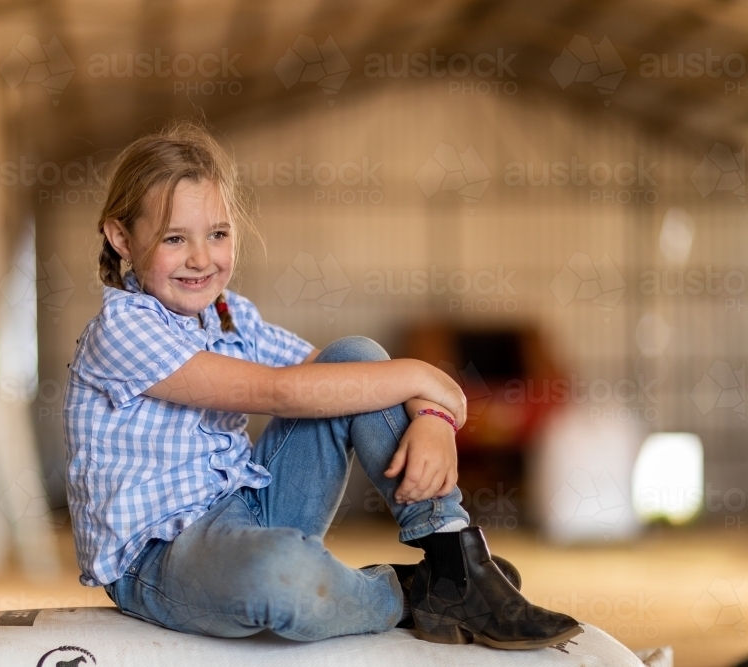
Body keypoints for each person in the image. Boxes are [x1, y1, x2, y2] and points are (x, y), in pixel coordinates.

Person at [63, 121, 580, 648]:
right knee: (280, 576)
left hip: (250, 508)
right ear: (122, 237)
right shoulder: (122, 327)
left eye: (218, 233)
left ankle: (452, 558)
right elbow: (277, 392)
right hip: (162, 558)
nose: (202, 258)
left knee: (352, 356)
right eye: (175, 238)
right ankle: (404, 593)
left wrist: (434, 417)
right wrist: (428, 376)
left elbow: (345, 377)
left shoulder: (225, 314)